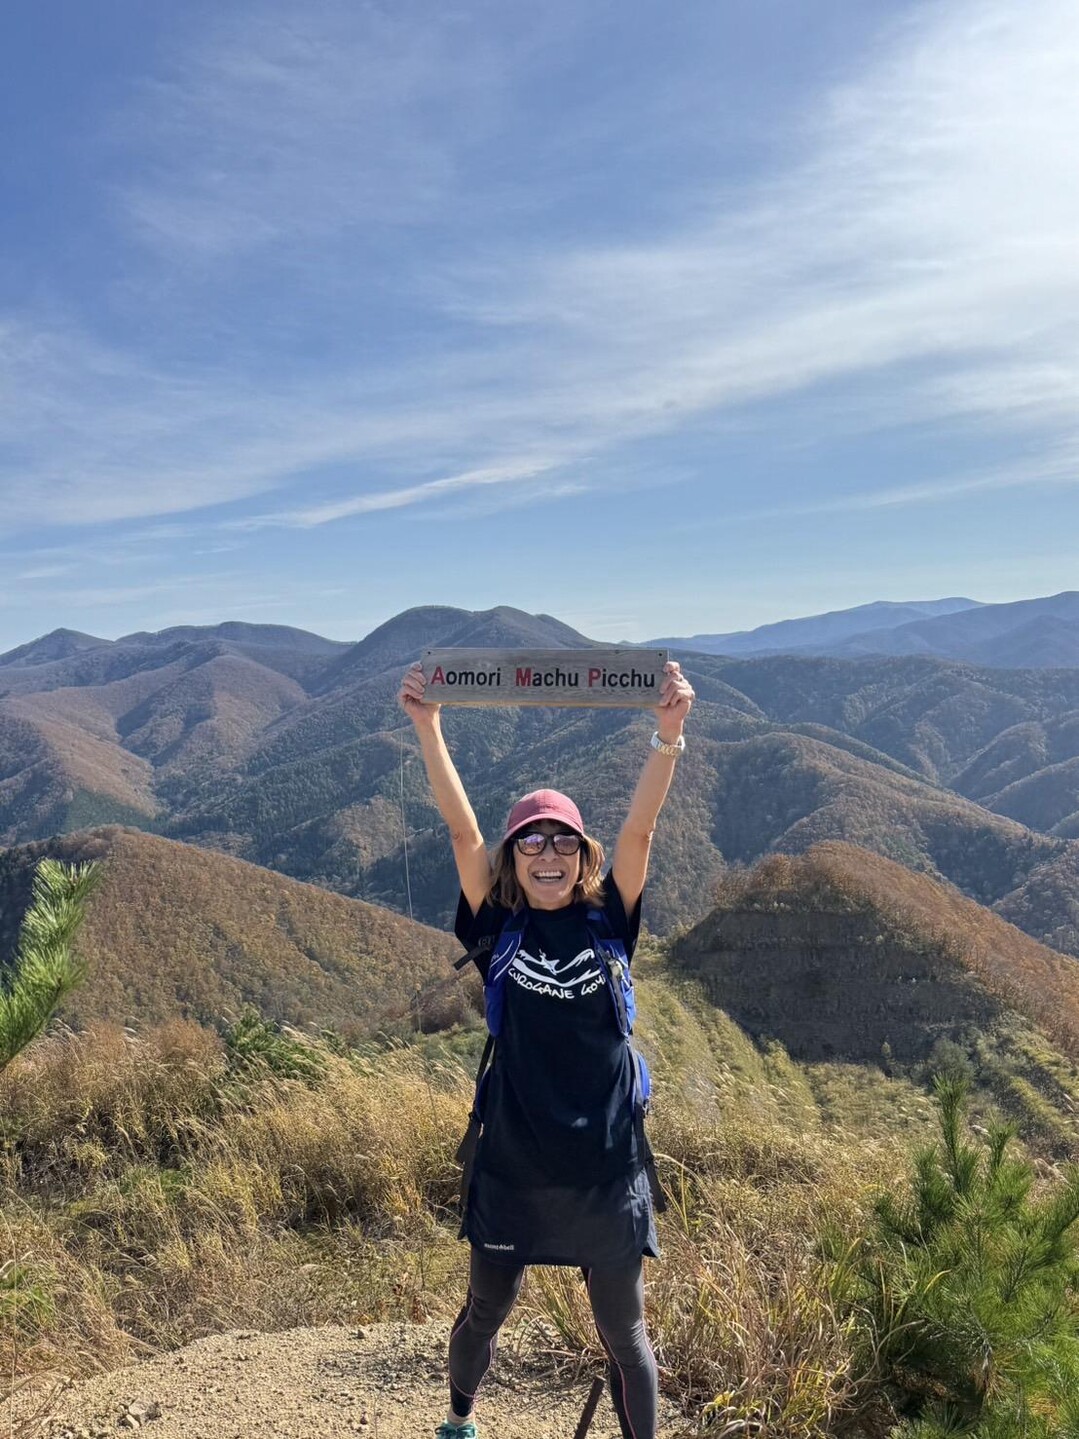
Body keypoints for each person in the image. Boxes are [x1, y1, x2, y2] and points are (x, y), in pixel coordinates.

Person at [398, 658, 694, 1439]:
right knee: (484, 1310)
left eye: (563, 838)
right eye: (530, 840)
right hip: (514, 1164)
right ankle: (458, 1421)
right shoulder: (497, 925)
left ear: (583, 853)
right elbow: (461, 830)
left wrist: (667, 735)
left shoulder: (610, 918)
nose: (547, 851)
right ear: (512, 858)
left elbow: (640, 829)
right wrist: (429, 727)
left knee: (624, 1333)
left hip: (605, 1165)